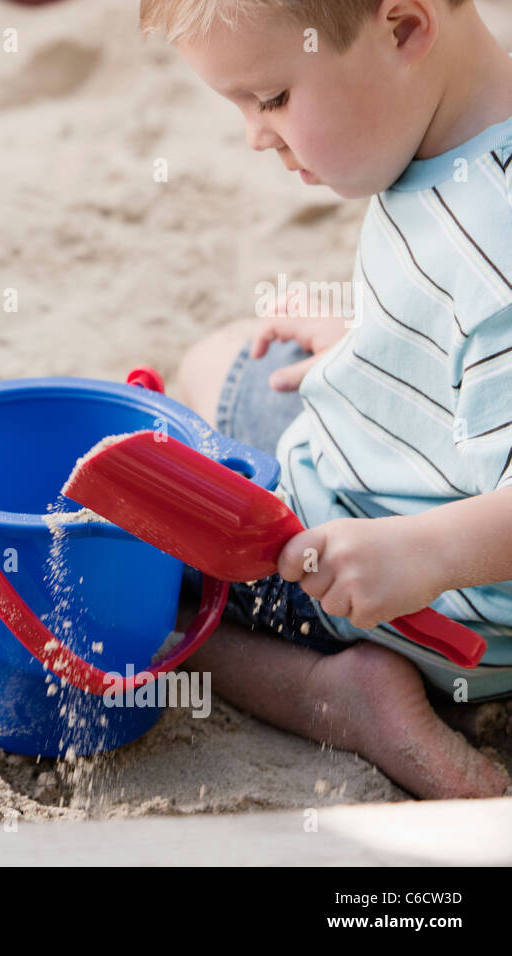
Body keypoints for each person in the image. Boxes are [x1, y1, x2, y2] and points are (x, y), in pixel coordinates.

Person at [148, 0, 512, 797]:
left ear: (405, 29)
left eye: (272, 98)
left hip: (409, 593)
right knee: (221, 356)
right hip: (402, 480)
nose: (256, 135)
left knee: (137, 611)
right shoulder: (457, 135)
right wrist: (369, 340)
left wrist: (420, 556)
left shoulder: (496, 251)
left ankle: (345, 701)